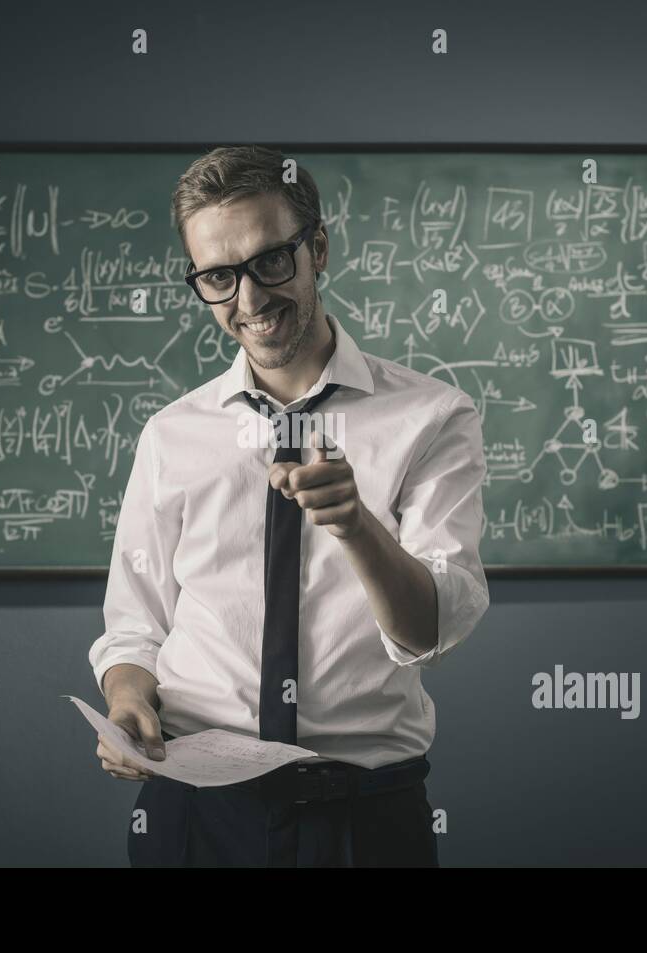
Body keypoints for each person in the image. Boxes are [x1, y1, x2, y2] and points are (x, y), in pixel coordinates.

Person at [88, 145, 490, 866]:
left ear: (319, 249)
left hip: (364, 820)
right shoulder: (170, 436)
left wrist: (356, 528)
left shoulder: (432, 419)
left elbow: (431, 630)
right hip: (195, 815)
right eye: (219, 277)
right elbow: (136, 628)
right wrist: (127, 702)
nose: (249, 301)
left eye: (271, 261)